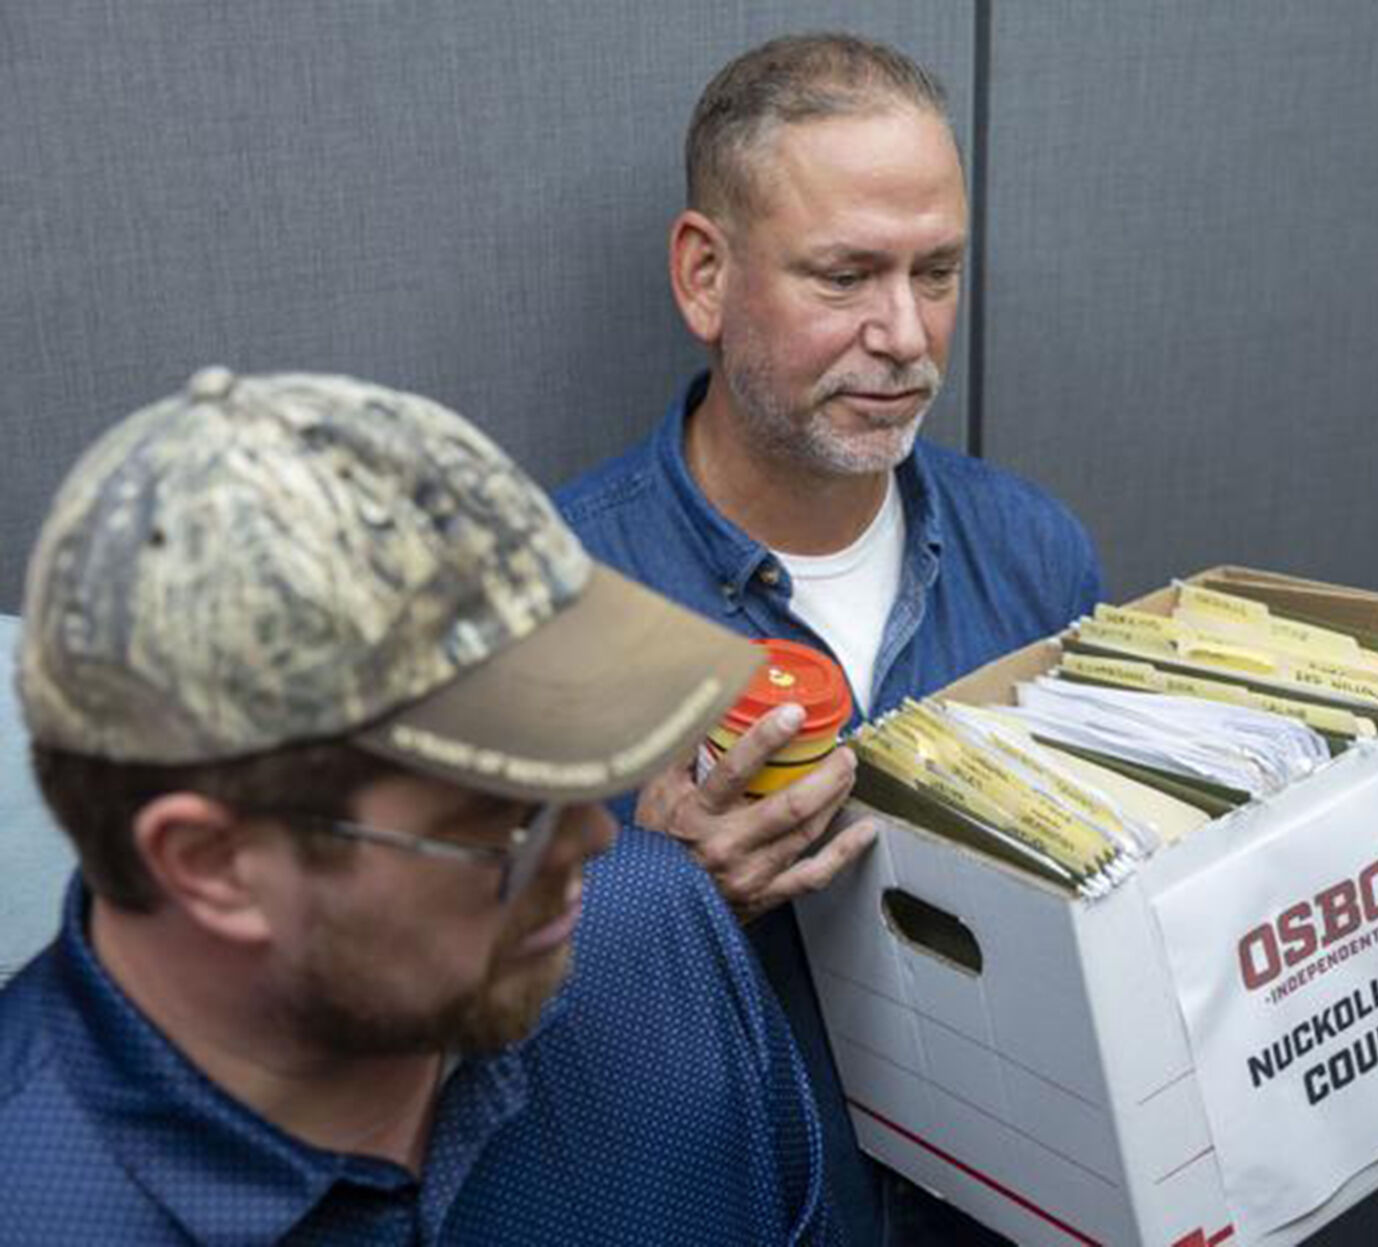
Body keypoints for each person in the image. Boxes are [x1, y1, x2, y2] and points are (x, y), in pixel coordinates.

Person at [0, 368, 837, 1245]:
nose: (597, 837)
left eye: (576, 777)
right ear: (213, 866)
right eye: (505, 820)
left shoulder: (658, 934)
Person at [556, 32, 1105, 1246]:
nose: (906, 335)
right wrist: (659, 903)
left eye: (938, 272)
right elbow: (437, 1053)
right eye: (846, 275)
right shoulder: (546, 613)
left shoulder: (1040, 554)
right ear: (705, 276)